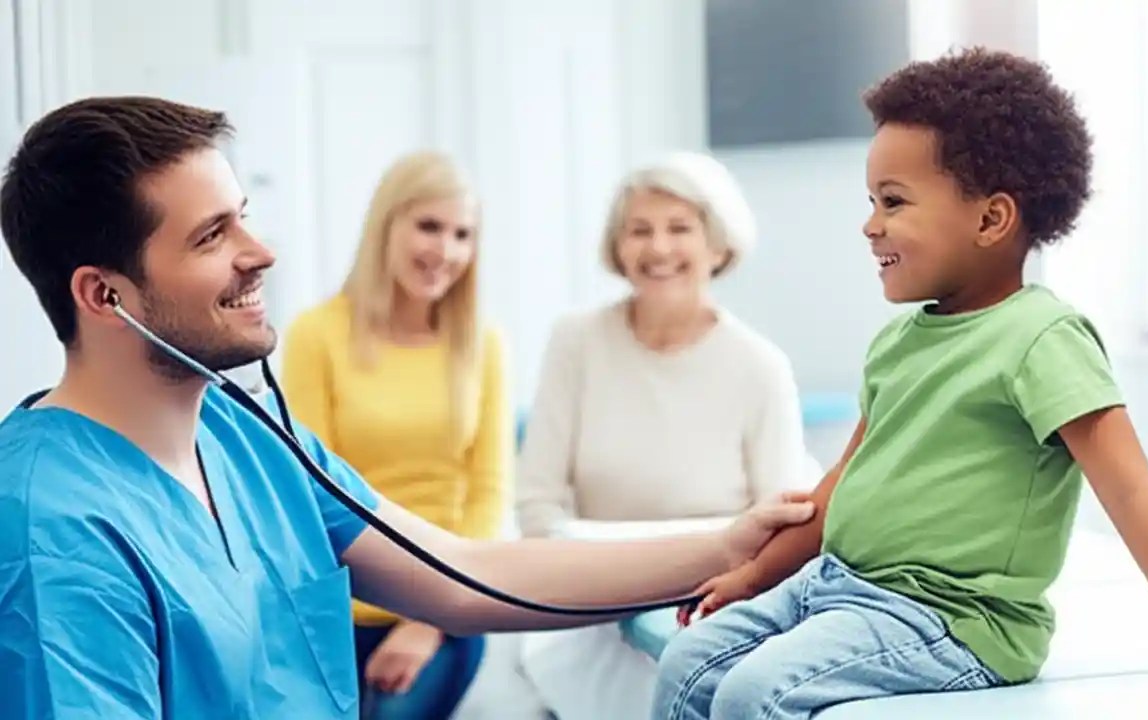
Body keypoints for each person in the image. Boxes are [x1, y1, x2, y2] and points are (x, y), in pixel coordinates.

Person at [0, 96, 815, 720]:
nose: (262, 253)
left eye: (242, 218)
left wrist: (727, 543)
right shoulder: (51, 526)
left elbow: (468, 573)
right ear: (105, 295)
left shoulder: (250, 440)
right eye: (213, 236)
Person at [650, 48, 1148, 719]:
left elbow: (1131, 492)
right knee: (686, 663)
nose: (869, 225)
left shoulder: (1042, 337)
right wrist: (753, 577)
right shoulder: (897, 343)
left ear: (990, 220)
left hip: (954, 621)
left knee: (756, 692)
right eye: (871, 201)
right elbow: (842, 487)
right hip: (840, 586)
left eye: (892, 202)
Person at [515, 152, 816, 719]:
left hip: (706, 605)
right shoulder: (575, 342)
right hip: (589, 604)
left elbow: (779, 532)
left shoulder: (760, 365)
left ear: (718, 245)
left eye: (680, 229)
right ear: (618, 246)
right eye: (640, 230)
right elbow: (537, 506)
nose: (658, 249)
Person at [281, 152, 507, 718]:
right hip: (334, 610)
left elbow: (488, 494)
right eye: (429, 226)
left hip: (444, 610)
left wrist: (428, 620)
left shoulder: (483, 344)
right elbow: (310, 489)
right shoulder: (318, 334)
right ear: (387, 224)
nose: (446, 251)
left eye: (463, 235)